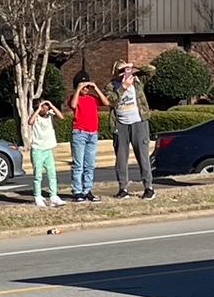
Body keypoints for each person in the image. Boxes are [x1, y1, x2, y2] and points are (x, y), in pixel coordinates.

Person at [105, 59, 157, 200]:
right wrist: (123, 87)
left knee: (143, 156)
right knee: (121, 158)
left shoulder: (137, 80)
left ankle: (148, 187)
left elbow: (151, 70)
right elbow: (111, 101)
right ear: (115, 73)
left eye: (125, 70)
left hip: (138, 122)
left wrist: (133, 67)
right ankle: (123, 189)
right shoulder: (111, 86)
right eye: (121, 71)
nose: (124, 73)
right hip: (120, 124)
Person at [67, 71, 108, 202]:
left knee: (89, 165)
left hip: (92, 133)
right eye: (82, 86)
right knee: (78, 164)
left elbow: (106, 103)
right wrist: (78, 90)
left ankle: (87, 190)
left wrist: (96, 88)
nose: (85, 89)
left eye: (86, 86)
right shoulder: (74, 98)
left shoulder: (92, 98)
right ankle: (77, 191)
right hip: (79, 133)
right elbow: (73, 105)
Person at [27, 99, 66, 207]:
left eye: (46, 106)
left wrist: (51, 104)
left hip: (48, 149)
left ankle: (53, 196)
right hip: (37, 150)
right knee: (38, 175)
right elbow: (30, 122)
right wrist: (38, 109)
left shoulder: (50, 115)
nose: (46, 108)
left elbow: (61, 117)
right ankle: (37, 196)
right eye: (44, 106)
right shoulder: (36, 117)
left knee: (52, 173)